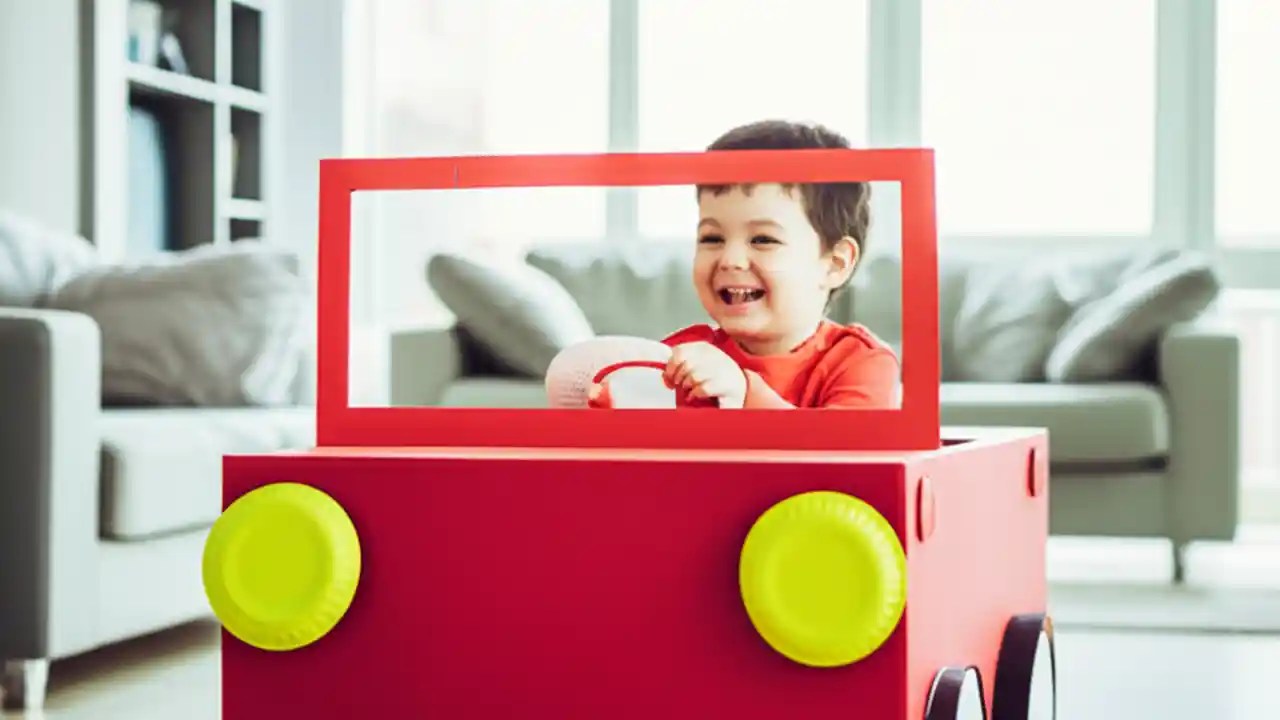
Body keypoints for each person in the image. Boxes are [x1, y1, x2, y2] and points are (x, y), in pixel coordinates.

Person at [589, 119, 900, 410]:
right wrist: (607, 406)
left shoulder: (862, 363)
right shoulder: (683, 356)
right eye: (712, 238)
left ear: (835, 264)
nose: (730, 260)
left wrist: (745, 394)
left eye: (763, 239)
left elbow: (841, 450)